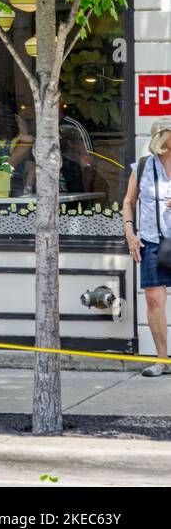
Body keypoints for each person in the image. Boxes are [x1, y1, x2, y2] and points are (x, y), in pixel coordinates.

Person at [122, 118, 171, 377]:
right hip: (152, 240)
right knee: (154, 300)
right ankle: (162, 360)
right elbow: (129, 201)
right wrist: (130, 232)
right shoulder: (142, 166)